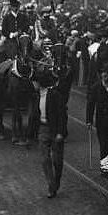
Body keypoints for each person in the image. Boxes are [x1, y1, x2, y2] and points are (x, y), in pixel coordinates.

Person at [31, 44, 74, 198]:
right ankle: (51, 185)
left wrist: (61, 133)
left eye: (34, 83)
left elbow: (62, 115)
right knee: (44, 159)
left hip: (55, 129)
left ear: (39, 83)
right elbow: (34, 116)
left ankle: (56, 181)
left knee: (57, 161)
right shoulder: (36, 97)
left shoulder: (55, 95)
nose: (33, 85)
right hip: (43, 130)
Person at [86, 65, 108, 161]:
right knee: (104, 146)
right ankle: (105, 167)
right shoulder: (95, 88)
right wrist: (89, 120)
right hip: (102, 122)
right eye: (103, 73)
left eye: (107, 73)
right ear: (101, 75)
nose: (105, 75)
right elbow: (90, 104)